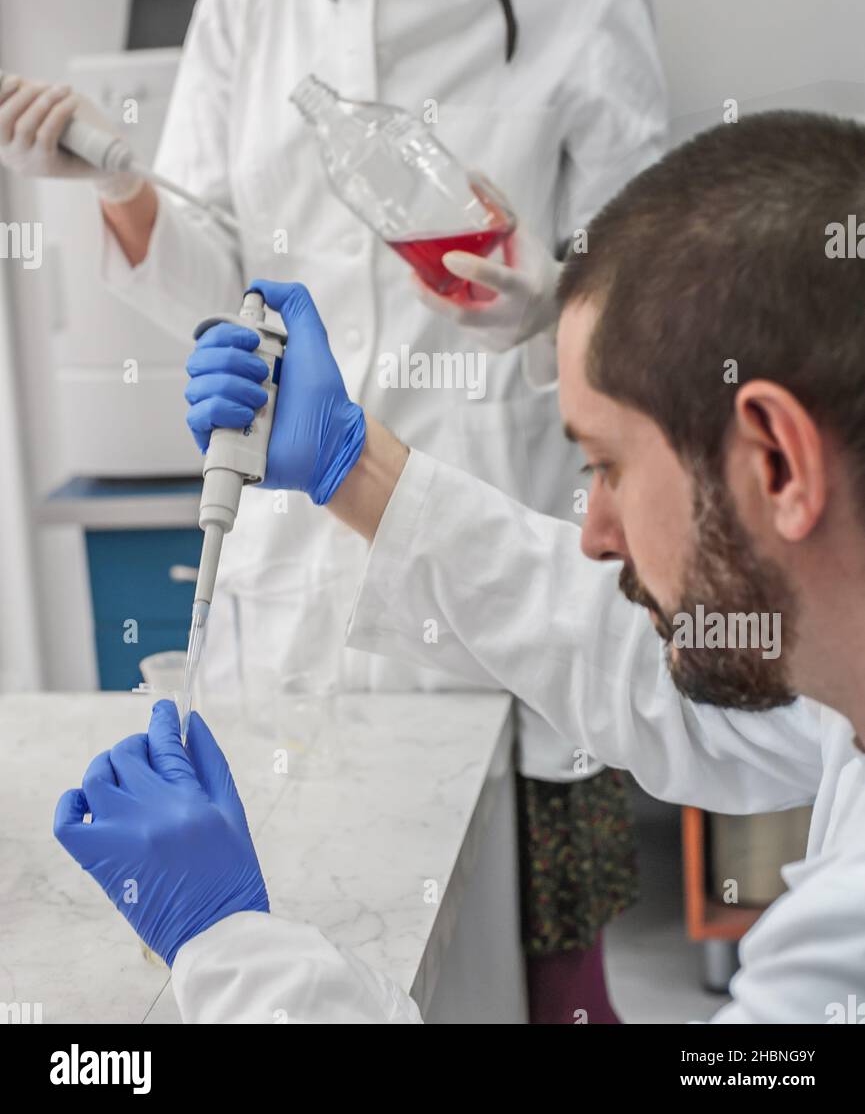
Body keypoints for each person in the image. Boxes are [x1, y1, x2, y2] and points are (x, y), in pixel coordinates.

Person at [4, 0, 668, 1023]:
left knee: (543, 976)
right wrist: (125, 184)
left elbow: (641, 305)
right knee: (303, 925)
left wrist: (535, 287)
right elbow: (217, 281)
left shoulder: (592, 2)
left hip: (497, 548)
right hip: (288, 564)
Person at [56, 109, 865, 1023]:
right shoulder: (836, 692)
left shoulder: (841, 951)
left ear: (780, 465)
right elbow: (654, 671)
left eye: (605, 466)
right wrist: (349, 465)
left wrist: (228, 947)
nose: (593, 533)